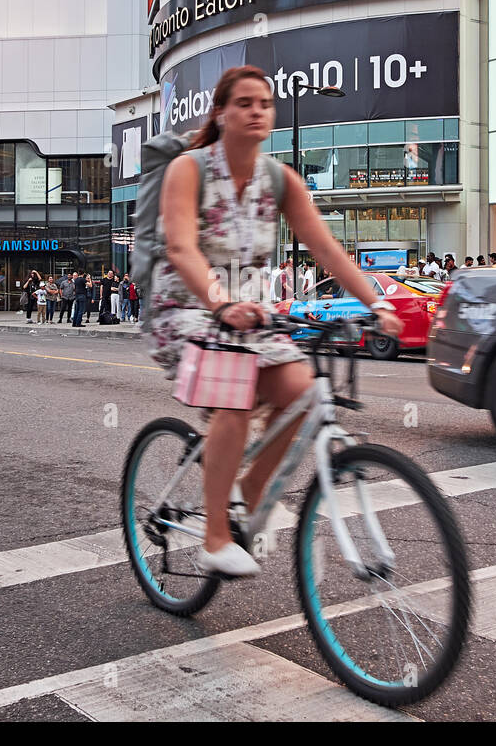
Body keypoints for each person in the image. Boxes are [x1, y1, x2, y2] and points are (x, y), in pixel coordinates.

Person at [148, 65, 403, 577]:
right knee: (236, 391)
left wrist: (377, 304)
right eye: (243, 102)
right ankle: (215, 536)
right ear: (221, 113)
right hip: (187, 310)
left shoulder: (279, 180)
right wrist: (220, 303)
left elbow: (327, 250)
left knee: (305, 392)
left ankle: (247, 488)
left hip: (248, 317)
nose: (256, 111)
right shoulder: (190, 169)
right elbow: (180, 247)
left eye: (264, 103)